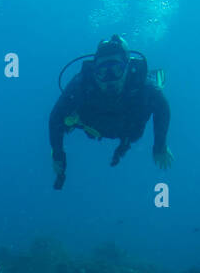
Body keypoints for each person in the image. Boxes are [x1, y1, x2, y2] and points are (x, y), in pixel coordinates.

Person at [48, 34, 172, 189]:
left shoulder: (142, 84)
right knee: (70, 118)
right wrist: (58, 155)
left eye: (116, 70)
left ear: (127, 67)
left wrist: (160, 145)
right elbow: (55, 117)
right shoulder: (81, 84)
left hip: (130, 127)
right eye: (102, 72)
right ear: (94, 71)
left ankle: (156, 80)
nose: (110, 79)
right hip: (95, 127)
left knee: (152, 95)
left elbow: (162, 107)